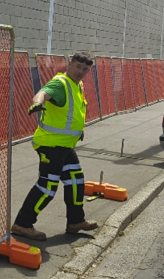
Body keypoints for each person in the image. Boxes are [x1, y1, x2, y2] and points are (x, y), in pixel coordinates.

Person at [11, 51, 99, 241]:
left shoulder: (77, 85)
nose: (81, 71)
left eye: (85, 69)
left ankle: (76, 221)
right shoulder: (61, 83)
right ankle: (22, 224)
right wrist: (37, 103)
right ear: (70, 63)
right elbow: (43, 93)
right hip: (50, 145)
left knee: (75, 182)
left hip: (64, 146)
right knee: (47, 187)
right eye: (78, 67)